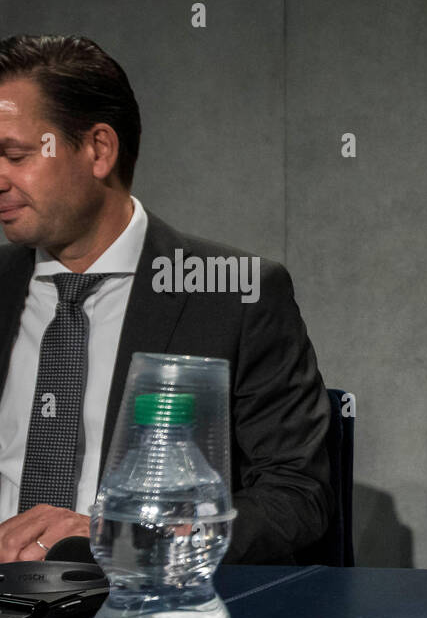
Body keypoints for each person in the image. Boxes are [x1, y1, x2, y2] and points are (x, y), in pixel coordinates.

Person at [0, 35, 330, 563]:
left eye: (15, 155)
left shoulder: (235, 293)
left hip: (142, 602)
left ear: (98, 150)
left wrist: (123, 537)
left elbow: (296, 499)